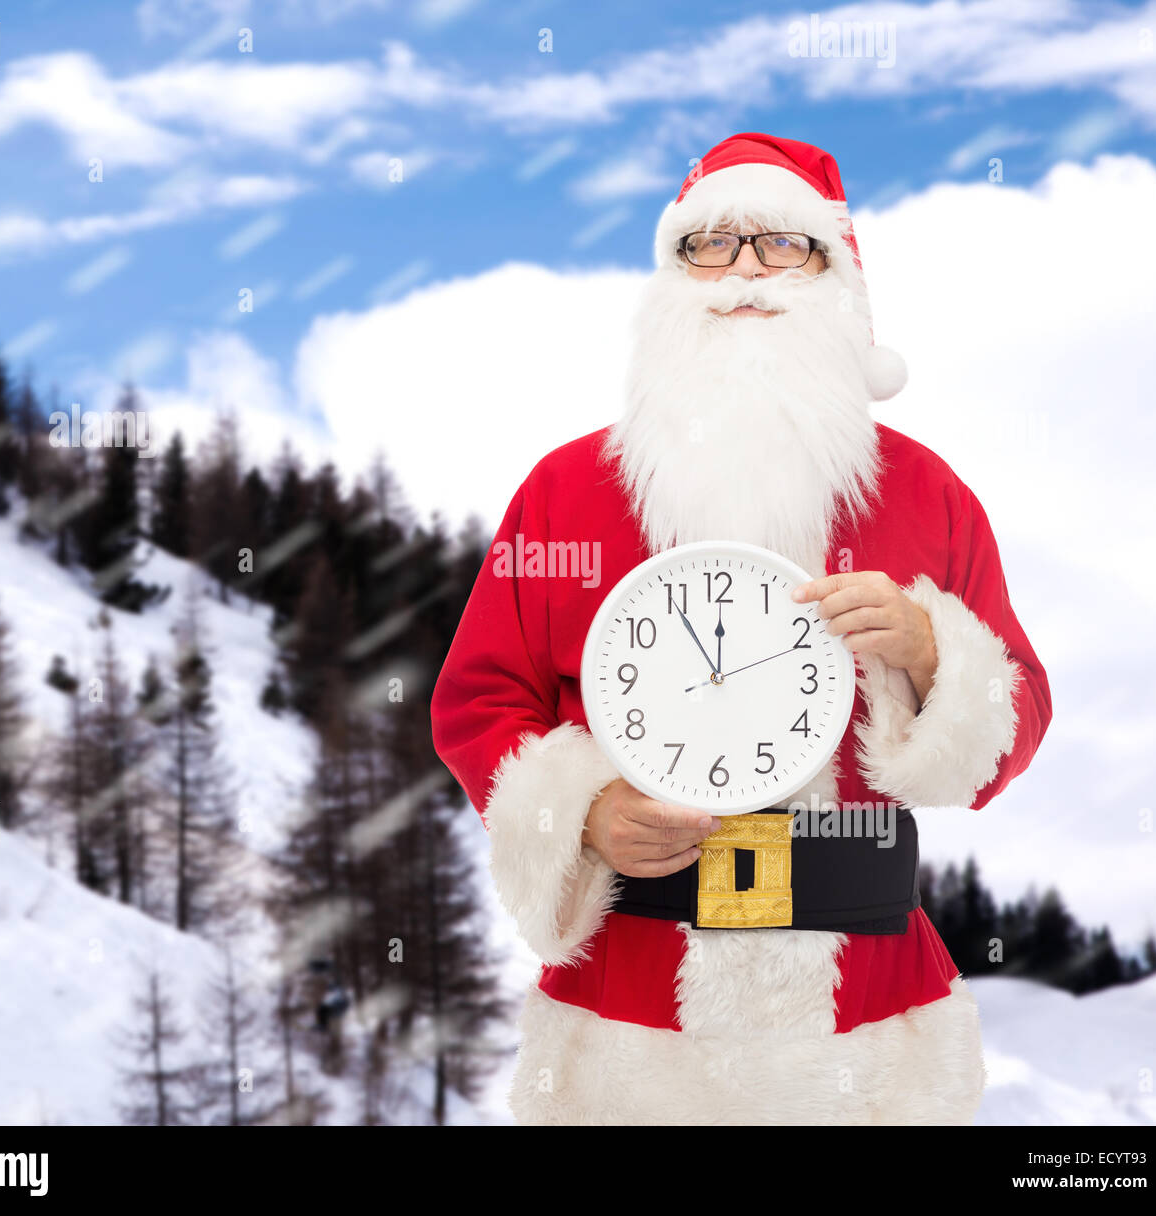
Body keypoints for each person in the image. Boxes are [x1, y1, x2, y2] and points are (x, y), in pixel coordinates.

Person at [430, 132, 1052, 1125]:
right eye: (709, 245)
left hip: (869, 1017)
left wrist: (931, 652)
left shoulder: (930, 497)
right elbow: (478, 701)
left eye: (782, 244)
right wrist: (580, 813)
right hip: (630, 1021)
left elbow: (1016, 717)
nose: (744, 272)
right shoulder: (563, 492)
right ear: (668, 279)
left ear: (838, 282)